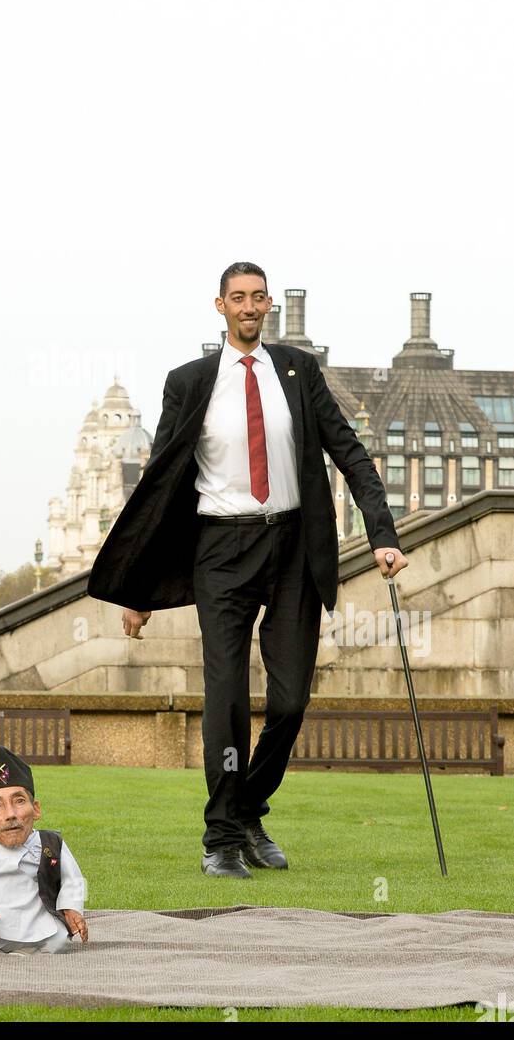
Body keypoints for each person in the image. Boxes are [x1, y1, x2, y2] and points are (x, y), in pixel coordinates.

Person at [87, 262, 408, 879]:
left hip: (292, 548)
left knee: (289, 703)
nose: (250, 306)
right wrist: (138, 589)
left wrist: (382, 534)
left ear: (268, 307)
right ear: (220, 307)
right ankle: (222, 837)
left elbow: (350, 451)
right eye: (239, 298)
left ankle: (250, 807)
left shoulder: (298, 370)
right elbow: (160, 487)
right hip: (220, 551)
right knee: (226, 698)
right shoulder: (188, 383)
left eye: (259, 297)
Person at [0, 744, 88, 952]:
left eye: (19, 801)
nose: (10, 814)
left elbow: (73, 881)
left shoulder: (52, 845)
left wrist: (71, 909)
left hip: (36, 920)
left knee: (59, 940)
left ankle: (31, 951)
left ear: (35, 809)